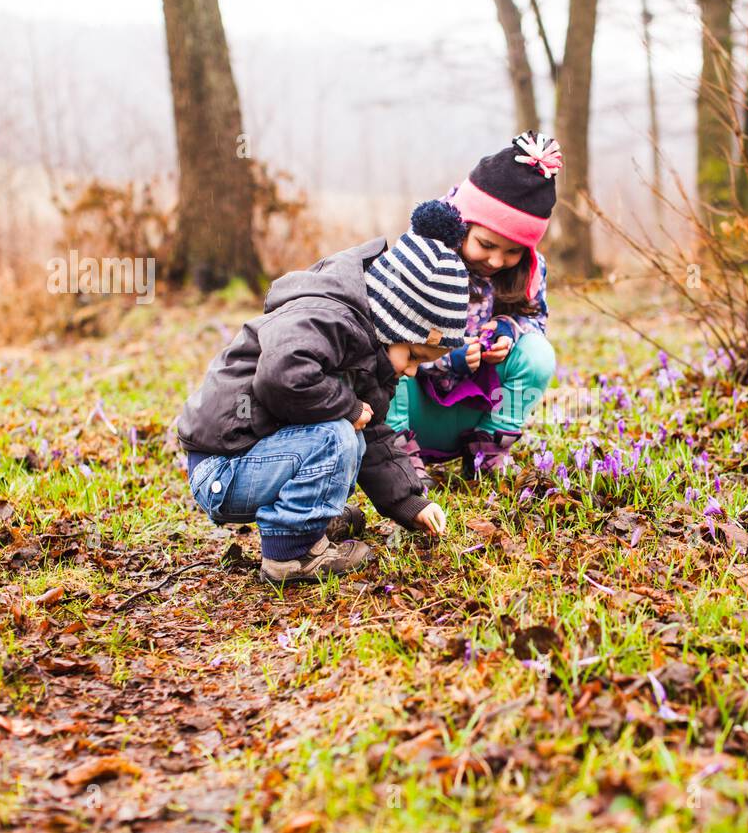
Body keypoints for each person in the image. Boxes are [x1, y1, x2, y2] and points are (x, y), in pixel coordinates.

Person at [174, 205, 471, 584]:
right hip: (224, 467)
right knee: (338, 435)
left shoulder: (372, 351)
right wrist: (347, 407)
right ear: (392, 320)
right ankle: (292, 553)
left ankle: (313, 520)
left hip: (256, 459)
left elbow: (375, 432)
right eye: (413, 355)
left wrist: (410, 501)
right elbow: (281, 376)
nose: (412, 370)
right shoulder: (325, 318)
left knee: (353, 431)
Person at [386, 131, 561, 484]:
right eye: (486, 244)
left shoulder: (530, 268)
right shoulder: (423, 254)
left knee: (539, 353)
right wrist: (446, 356)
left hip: (473, 405)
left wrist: (506, 331)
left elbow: (534, 319)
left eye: (513, 252)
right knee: (382, 355)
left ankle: (487, 450)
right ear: (462, 223)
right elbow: (387, 332)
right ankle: (395, 458)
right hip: (413, 402)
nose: (497, 261)